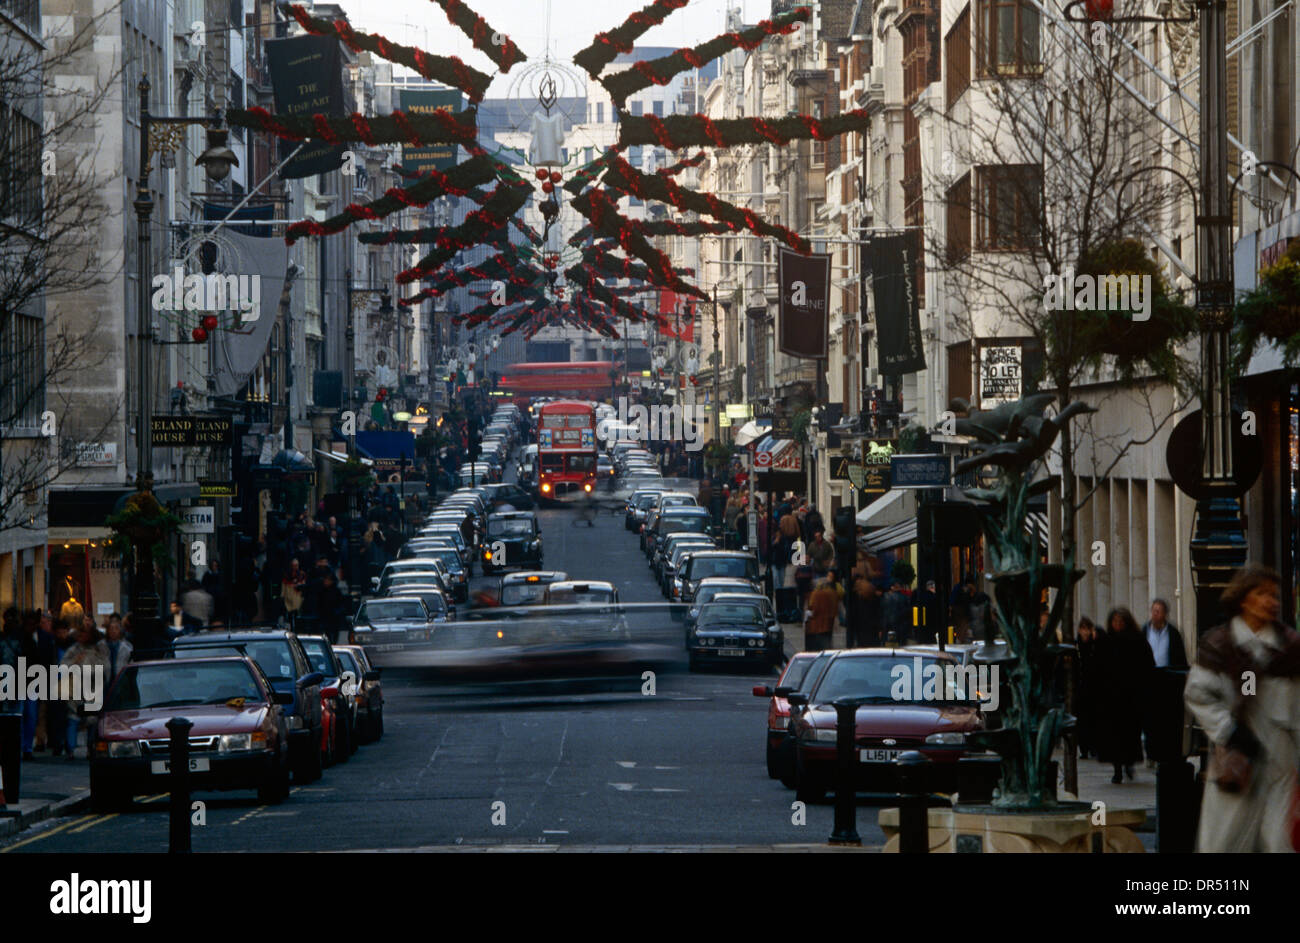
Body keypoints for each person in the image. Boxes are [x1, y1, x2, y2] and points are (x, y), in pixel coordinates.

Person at [1185, 564, 1300, 852]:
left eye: (1274, 595)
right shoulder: (1221, 645)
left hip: (1281, 758)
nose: (1270, 602)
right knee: (1225, 840)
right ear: (1244, 599)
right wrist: (1229, 731)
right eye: (1262, 594)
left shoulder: (1290, 649)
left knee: (1278, 841)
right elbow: (1198, 693)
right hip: (1240, 757)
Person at [1097, 606, 1154, 783]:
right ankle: (1117, 768)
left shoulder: (1137, 640)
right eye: (1115, 621)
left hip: (1132, 696)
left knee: (1130, 733)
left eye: (1121, 621)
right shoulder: (1106, 641)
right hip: (1113, 697)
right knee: (1115, 735)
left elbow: (1146, 665)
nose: (1118, 625)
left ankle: (1129, 762)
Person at [1141, 597, 1189, 765]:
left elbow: (1180, 658)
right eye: (1153, 611)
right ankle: (1151, 753)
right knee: (1150, 718)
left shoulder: (1173, 633)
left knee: (1165, 719)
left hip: (1168, 679)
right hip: (1150, 677)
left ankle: (1163, 752)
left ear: (1165, 614)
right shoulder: (1144, 632)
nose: (1155, 614)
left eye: (1158, 611)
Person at [60, 621, 109, 758]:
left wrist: (90, 672)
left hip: (92, 688)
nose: (81, 636)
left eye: (84, 633)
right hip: (75, 689)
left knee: (92, 720)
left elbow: (105, 666)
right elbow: (63, 666)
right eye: (80, 633)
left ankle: (90, 748)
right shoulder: (74, 650)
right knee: (73, 717)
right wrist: (74, 663)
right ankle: (70, 749)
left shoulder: (99, 649)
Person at [1075, 616, 1104, 759]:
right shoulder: (1076, 645)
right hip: (1080, 688)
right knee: (1082, 720)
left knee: (1094, 718)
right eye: (1083, 629)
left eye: (1088, 629)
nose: (1085, 633)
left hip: (1094, 688)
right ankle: (1084, 748)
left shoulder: (1095, 644)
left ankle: (1094, 747)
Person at [804, 576, 840, 651]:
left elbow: (814, 610)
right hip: (829, 623)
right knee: (828, 643)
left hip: (817, 625)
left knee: (820, 646)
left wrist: (807, 615)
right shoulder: (833, 593)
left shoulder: (815, 594)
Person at [104, 613, 132, 680]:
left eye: (116, 628)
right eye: (111, 629)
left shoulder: (127, 648)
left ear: (120, 630)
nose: (113, 631)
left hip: (120, 680)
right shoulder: (101, 646)